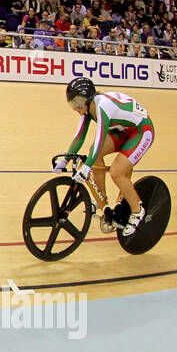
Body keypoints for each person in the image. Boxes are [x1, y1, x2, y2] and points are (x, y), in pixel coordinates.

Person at [56, 77, 153, 235]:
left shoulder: (103, 107)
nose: (76, 108)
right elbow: (80, 136)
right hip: (123, 130)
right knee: (94, 152)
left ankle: (138, 211)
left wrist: (87, 167)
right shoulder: (87, 109)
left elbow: (100, 137)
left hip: (141, 131)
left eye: (78, 103)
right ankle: (102, 199)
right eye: (73, 104)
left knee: (116, 172)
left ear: (88, 98)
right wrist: (65, 160)